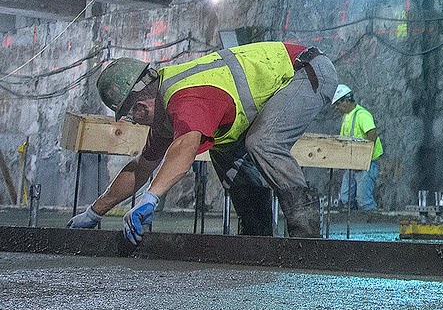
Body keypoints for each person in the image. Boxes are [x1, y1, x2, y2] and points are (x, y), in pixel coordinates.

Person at [69, 41, 338, 242]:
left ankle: (306, 234)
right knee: (224, 152)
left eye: (129, 116)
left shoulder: (185, 98)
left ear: (140, 106)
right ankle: (257, 236)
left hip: (307, 71)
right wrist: (94, 213)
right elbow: (141, 167)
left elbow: (184, 149)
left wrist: (151, 198)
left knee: (263, 142)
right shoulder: (165, 110)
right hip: (285, 81)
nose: (133, 122)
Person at [333, 84, 382, 212]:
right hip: (353, 163)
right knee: (346, 198)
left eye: (338, 104)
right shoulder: (347, 117)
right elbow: (343, 141)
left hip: (366, 163)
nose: (337, 108)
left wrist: (364, 154)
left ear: (346, 100)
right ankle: (354, 225)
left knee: (364, 200)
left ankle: (372, 226)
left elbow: (372, 134)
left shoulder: (362, 115)